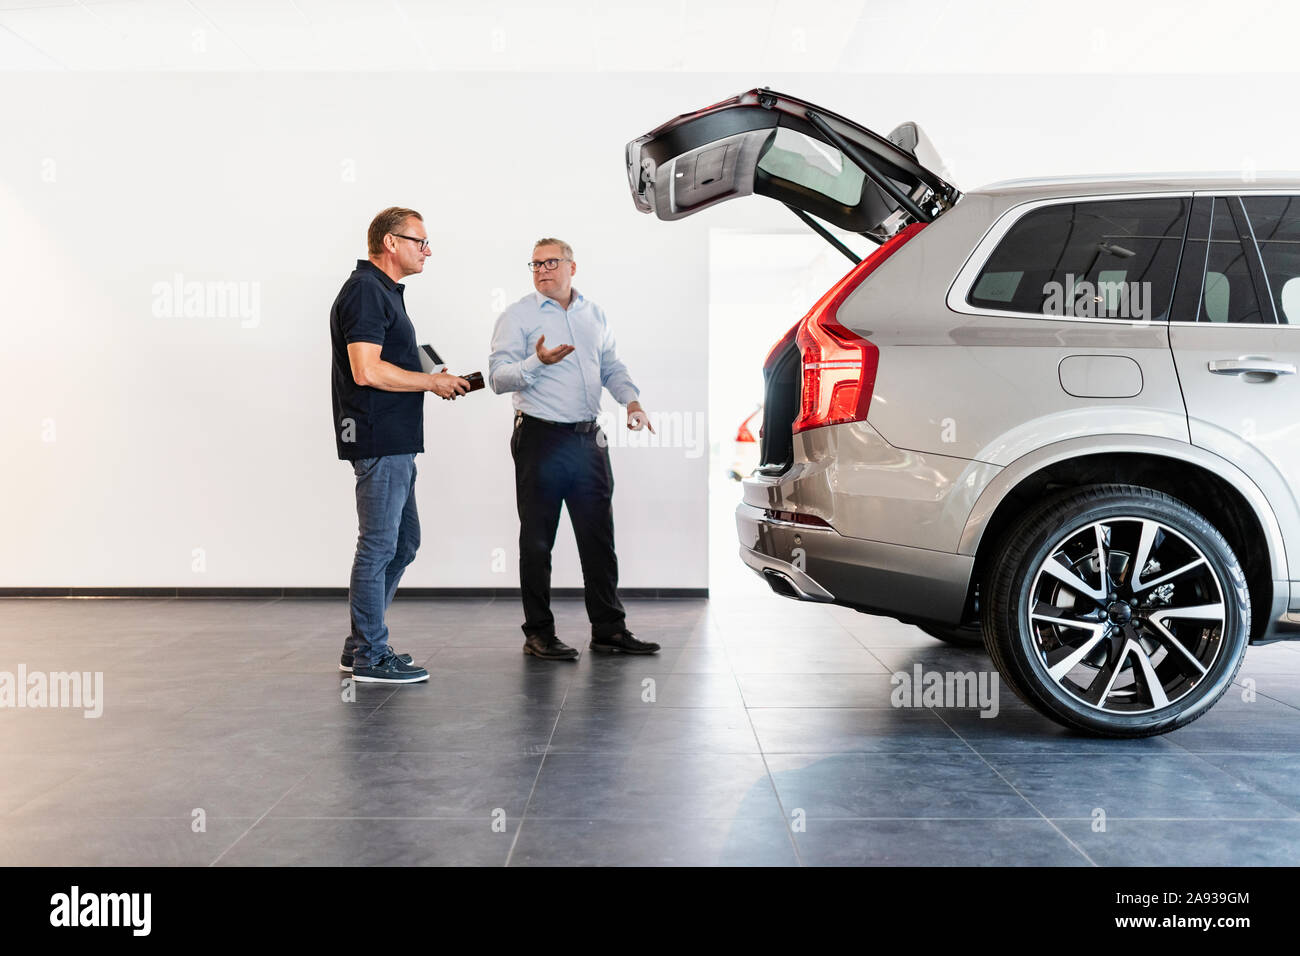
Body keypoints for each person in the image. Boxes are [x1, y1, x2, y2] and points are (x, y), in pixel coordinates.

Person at [488, 238, 661, 660]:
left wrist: (631, 401)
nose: (542, 270)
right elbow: (497, 378)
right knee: (538, 541)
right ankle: (539, 634)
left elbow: (611, 366)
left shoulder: (594, 314)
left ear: (572, 266)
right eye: (535, 264)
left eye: (551, 262)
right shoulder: (517, 316)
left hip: (589, 439)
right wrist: (536, 363)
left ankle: (608, 630)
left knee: (599, 538)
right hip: (540, 439)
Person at [330, 206, 469, 683]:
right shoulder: (366, 291)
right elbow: (366, 370)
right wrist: (429, 385)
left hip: (396, 440)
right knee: (379, 545)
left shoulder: (385, 293)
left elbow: (387, 362)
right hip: (378, 437)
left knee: (404, 542)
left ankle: (360, 645)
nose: (426, 250)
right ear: (390, 242)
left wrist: (435, 377)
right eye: (419, 241)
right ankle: (370, 654)